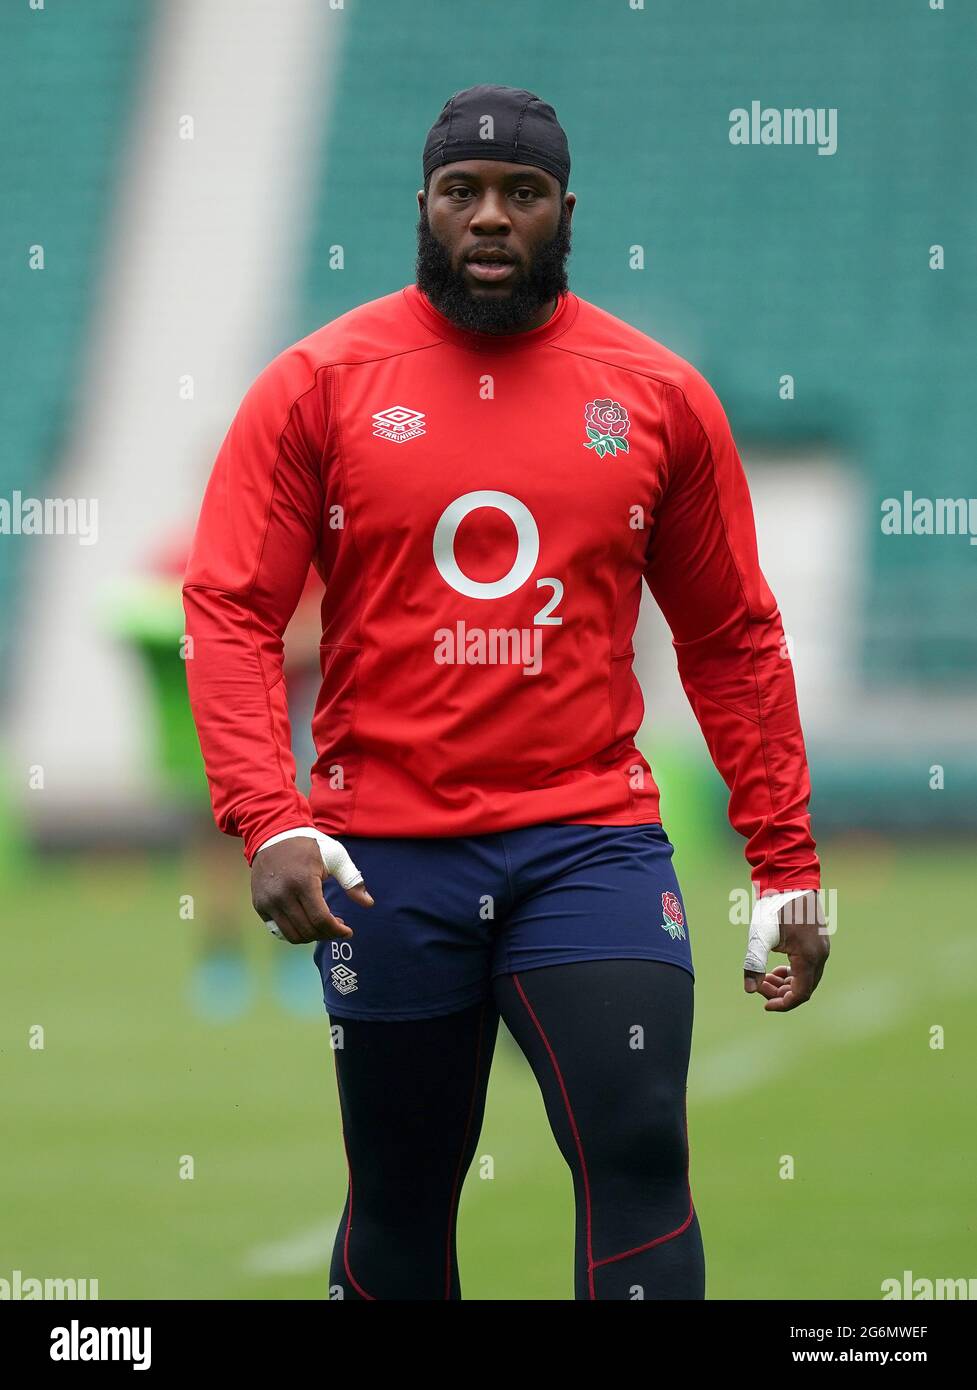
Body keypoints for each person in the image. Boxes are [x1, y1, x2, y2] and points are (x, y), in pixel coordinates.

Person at [182, 84, 828, 1301]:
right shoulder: (318, 385)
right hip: (386, 858)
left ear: (563, 211)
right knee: (401, 1187)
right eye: (462, 193)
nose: (490, 216)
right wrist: (267, 816)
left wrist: (786, 860)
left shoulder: (655, 395)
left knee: (638, 1140)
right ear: (421, 208)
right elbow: (230, 610)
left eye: (519, 194)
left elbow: (733, 637)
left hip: (588, 844)